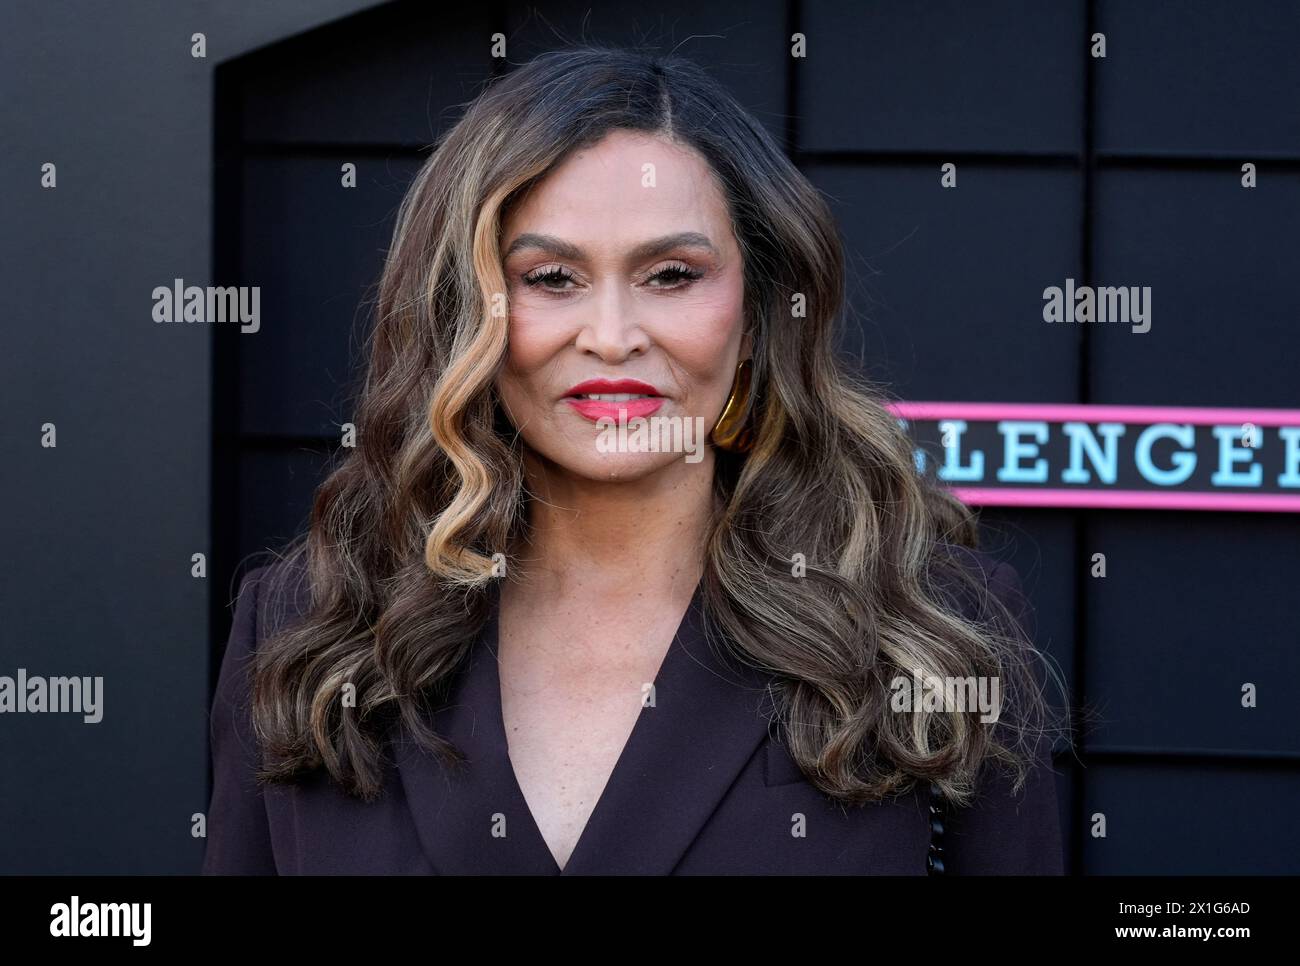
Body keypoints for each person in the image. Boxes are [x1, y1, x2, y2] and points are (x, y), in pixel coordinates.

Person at [202, 45, 1068, 875]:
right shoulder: (308, 630)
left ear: (762, 308)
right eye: (550, 278)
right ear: (463, 310)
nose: (612, 338)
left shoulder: (930, 630)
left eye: (671, 275)